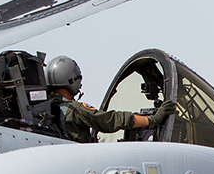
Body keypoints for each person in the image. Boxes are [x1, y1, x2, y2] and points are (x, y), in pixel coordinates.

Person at [45, 55, 176, 142]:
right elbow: (109, 120)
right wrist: (152, 119)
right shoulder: (74, 110)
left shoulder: (44, 110)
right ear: (72, 80)